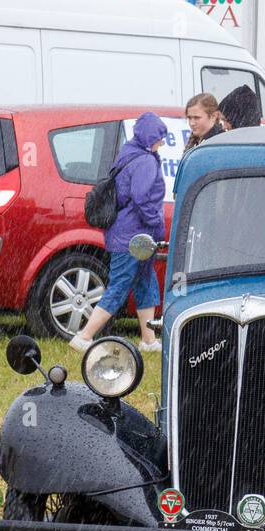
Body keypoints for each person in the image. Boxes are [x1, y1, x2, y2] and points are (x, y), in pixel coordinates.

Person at [69, 112, 167, 354]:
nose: (162, 143)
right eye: (159, 137)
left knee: (145, 282)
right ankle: (84, 336)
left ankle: (148, 339)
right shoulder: (145, 160)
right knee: (120, 285)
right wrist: (156, 222)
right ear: (149, 137)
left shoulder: (130, 152)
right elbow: (143, 198)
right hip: (135, 236)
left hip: (128, 233)